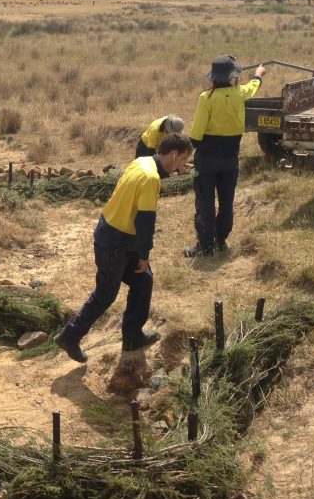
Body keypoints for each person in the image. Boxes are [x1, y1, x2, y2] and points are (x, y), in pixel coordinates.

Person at [54, 135, 193, 363]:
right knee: (106, 294)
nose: (182, 167)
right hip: (114, 241)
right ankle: (70, 336)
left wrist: (139, 253)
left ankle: (132, 337)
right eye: (183, 160)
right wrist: (144, 255)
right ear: (174, 154)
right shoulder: (150, 178)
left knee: (143, 281)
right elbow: (145, 222)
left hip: (119, 234)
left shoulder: (142, 162)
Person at [183, 54, 266, 257]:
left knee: (205, 202)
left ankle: (205, 245)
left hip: (207, 159)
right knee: (226, 203)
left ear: (213, 78)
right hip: (230, 159)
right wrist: (258, 75)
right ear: (232, 77)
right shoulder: (240, 94)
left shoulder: (206, 98)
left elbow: (196, 134)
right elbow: (253, 87)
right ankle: (221, 240)